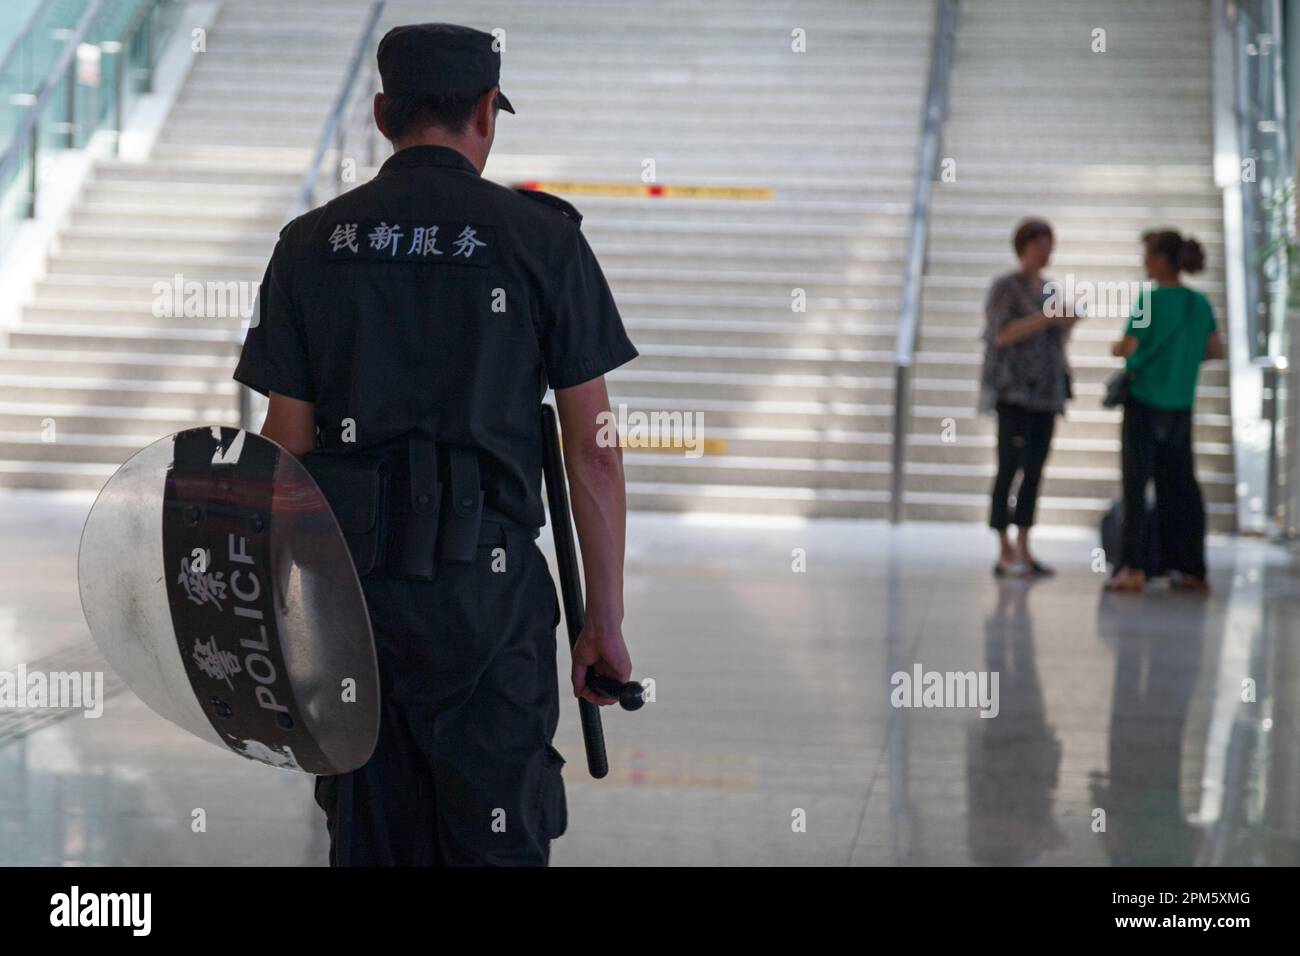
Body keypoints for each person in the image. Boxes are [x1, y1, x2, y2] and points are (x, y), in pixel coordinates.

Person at [233, 23, 639, 865]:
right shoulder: (542, 240)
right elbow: (594, 449)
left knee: (371, 834)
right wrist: (602, 619)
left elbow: (286, 449)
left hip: (349, 608)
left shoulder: (310, 245)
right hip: (485, 605)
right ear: (486, 114)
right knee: (494, 831)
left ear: (383, 113)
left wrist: (276, 624)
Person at [1106, 229, 1224, 593]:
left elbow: (1128, 347)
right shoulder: (1198, 303)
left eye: (1148, 255)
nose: (1144, 263)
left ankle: (1132, 568)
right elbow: (1215, 350)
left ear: (1160, 259)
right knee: (1182, 487)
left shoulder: (1149, 301)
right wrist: (1182, 360)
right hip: (1180, 405)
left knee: (1136, 486)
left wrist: (1119, 348)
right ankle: (1190, 567)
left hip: (1144, 403)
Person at [979, 218, 1080, 577]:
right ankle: (1003, 546)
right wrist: (1043, 318)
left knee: (1035, 471)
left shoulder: (1049, 288)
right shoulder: (1005, 287)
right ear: (1025, 247)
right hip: (1014, 391)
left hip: (1046, 392)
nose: (1047, 252)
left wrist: (1065, 320)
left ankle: (1024, 544)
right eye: (1041, 245)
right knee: (1009, 466)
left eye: (1050, 244)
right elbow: (1000, 335)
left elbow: (1055, 335)